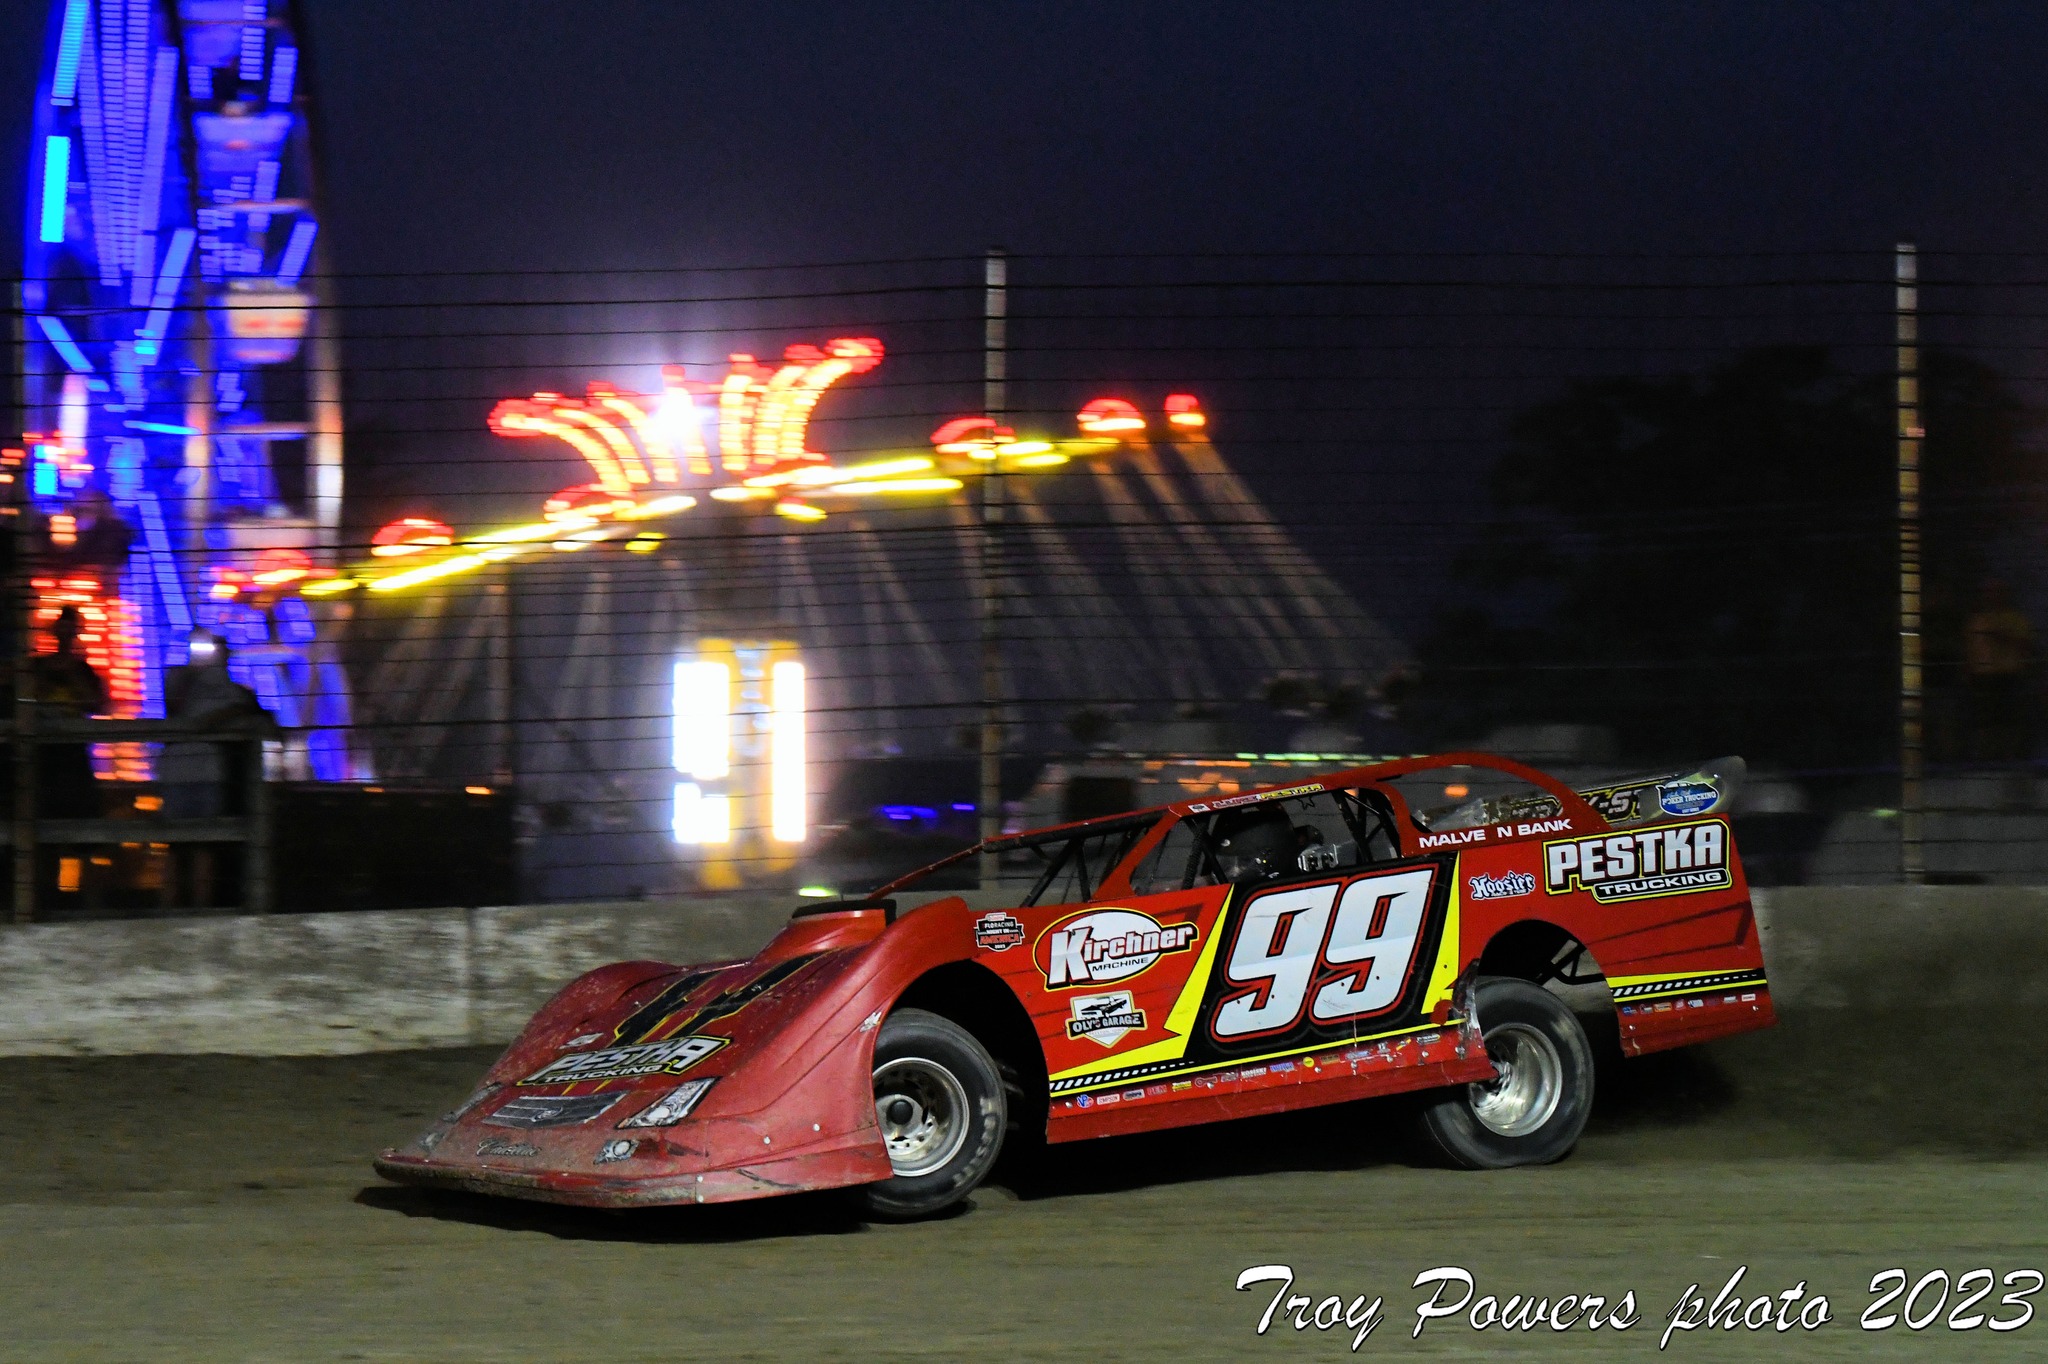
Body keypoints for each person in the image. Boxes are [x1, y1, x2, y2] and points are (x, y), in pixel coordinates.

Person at [159, 630, 277, 907]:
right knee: (176, 847)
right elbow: (174, 706)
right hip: (180, 771)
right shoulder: (180, 677)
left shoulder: (233, 691)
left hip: (209, 772)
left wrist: (234, 711)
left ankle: (201, 909)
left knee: (203, 846)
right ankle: (168, 909)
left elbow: (262, 719)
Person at [31, 607, 107, 819]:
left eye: (70, 628)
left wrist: (71, 670)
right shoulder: (39, 666)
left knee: (76, 808)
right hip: (43, 749)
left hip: (74, 750)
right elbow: (31, 696)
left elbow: (95, 704)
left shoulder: (83, 669)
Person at [1963, 580, 2036, 762]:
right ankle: (1986, 757)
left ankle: (2010, 757)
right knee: (1986, 721)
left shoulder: (2016, 619)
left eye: (1997, 592)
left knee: (2009, 720)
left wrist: (2001, 636)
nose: (1993, 596)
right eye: (1989, 592)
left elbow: (2026, 645)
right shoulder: (1978, 620)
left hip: (2009, 677)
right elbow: (1969, 648)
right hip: (1982, 679)